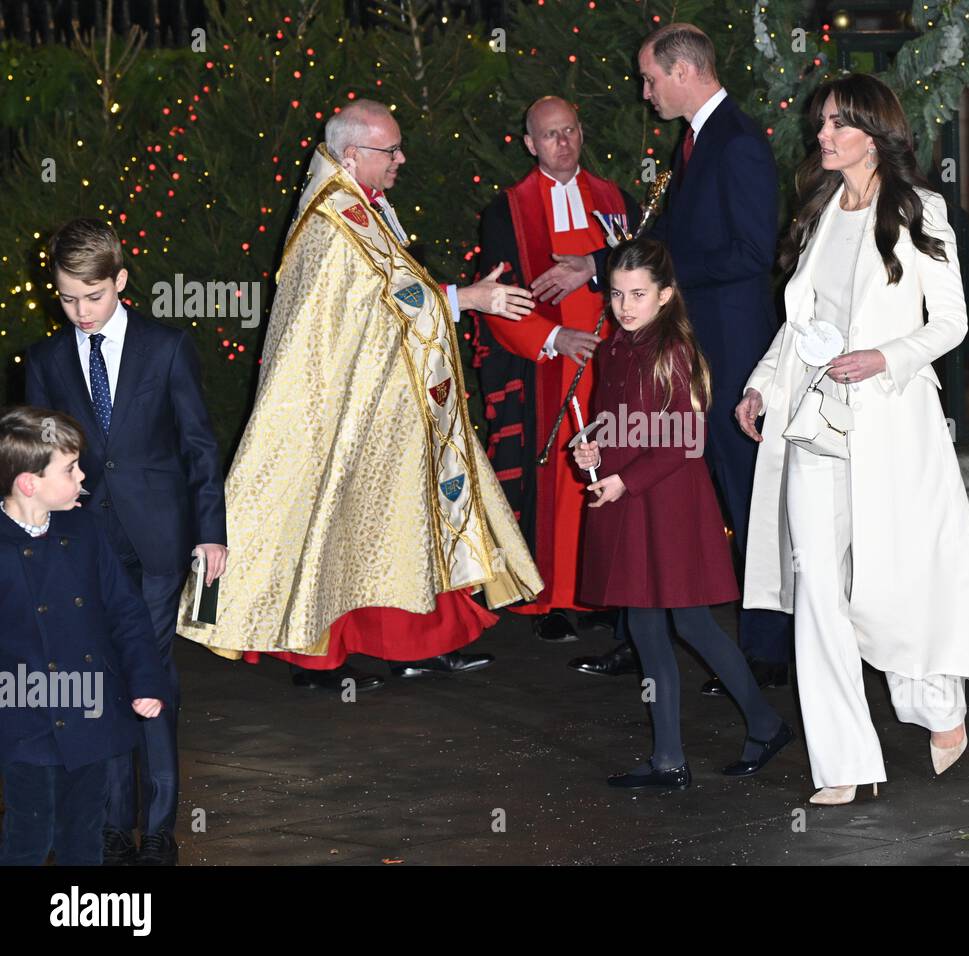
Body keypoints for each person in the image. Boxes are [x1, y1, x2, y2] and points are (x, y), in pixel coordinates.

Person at [175, 99, 544, 688]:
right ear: (351, 155)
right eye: (389, 150)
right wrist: (467, 300)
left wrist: (456, 298)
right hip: (344, 407)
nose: (401, 159)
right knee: (336, 521)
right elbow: (379, 306)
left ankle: (419, 638)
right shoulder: (333, 218)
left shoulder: (362, 203)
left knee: (397, 523)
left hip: (392, 397)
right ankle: (314, 655)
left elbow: (391, 294)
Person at [737, 74, 969, 805]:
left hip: (889, 425)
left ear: (875, 132)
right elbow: (799, 326)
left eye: (838, 124)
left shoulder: (919, 211)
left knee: (891, 579)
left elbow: (951, 322)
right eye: (822, 124)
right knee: (821, 598)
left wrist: (884, 357)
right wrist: (763, 385)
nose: (823, 136)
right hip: (811, 429)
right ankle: (843, 764)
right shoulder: (822, 210)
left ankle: (937, 707)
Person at [534, 23, 793, 691]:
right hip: (688, 350)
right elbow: (671, 233)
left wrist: (665, 275)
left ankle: (768, 650)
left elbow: (752, 253)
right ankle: (642, 633)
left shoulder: (736, 142)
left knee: (744, 494)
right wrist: (599, 264)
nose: (643, 92)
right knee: (659, 484)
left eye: (650, 78)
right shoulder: (697, 139)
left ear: (683, 73)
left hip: (730, 354)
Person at [24, 218, 226, 866]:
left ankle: (159, 829)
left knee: (148, 670)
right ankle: (114, 827)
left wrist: (211, 534)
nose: (81, 312)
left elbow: (198, 443)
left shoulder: (166, 347)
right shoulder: (47, 361)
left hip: (161, 539)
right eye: (67, 299)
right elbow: (36, 461)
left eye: (94, 296)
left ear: (121, 281)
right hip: (86, 544)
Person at [572, 239, 789, 790]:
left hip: (667, 504)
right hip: (630, 499)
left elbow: (686, 438)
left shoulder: (671, 351)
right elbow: (609, 417)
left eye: (638, 295)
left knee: (693, 623)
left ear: (666, 296)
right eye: (617, 294)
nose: (624, 306)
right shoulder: (613, 349)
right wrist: (591, 446)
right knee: (647, 627)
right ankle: (671, 757)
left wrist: (625, 479)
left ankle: (763, 724)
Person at [472, 96, 638, 646]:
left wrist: (596, 279)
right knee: (559, 485)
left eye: (569, 131)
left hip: (615, 364)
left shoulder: (617, 201)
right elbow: (499, 298)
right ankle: (553, 598)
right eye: (549, 135)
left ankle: (605, 594)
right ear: (529, 144)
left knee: (613, 472)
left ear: (581, 133)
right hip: (548, 368)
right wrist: (553, 337)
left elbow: (647, 268)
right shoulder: (506, 211)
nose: (562, 143)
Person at [0, 406, 168, 866]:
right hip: (21, 713)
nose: (83, 478)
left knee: (84, 830)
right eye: (70, 469)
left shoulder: (86, 529)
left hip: (88, 705)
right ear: (29, 483)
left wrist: (145, 681)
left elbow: (126, 613)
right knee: (28, 830)